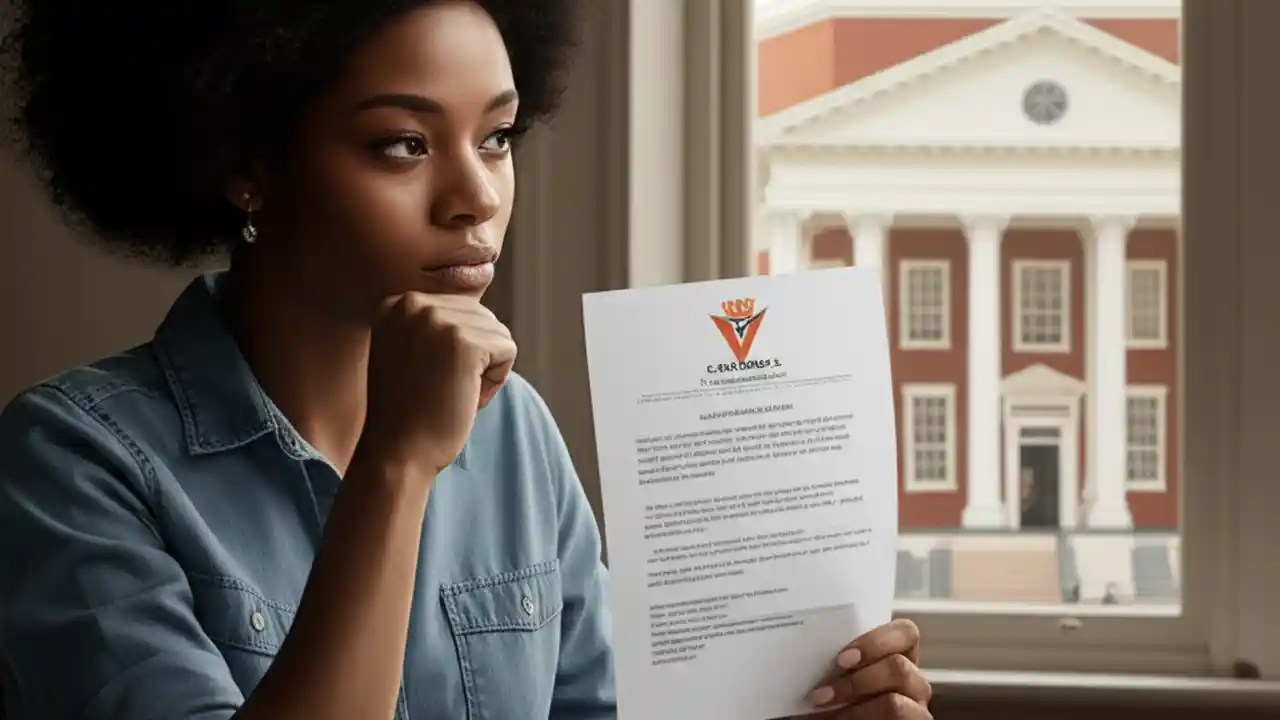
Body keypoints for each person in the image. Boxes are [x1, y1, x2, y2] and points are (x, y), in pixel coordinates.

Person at [0, 1, 932, 718]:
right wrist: (397, 467)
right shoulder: (73, 460)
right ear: (247, 162)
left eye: (496, 137)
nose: (475, 196)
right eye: (404, 145)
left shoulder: (514, 425)